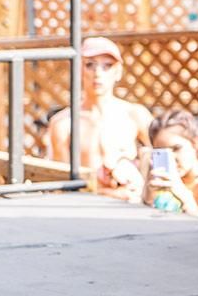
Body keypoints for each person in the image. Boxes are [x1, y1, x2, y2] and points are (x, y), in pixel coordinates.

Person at [44, 36, 153, 201]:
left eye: (107, 66)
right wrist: (111, 194)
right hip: (87, 208)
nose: (98, 73)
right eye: (90, 65)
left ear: (118, 72)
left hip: (135, 204)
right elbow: (63, 186)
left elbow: (161, 160)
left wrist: (140, 182)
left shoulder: (135, 114)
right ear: (79, 70)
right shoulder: (63, 123)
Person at [138, 108, 198, 219]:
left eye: (176, 149)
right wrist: (148, 198)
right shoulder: (160, 183)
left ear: (194, 144)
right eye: (162, 153)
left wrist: (185, 197)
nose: (170, 158)